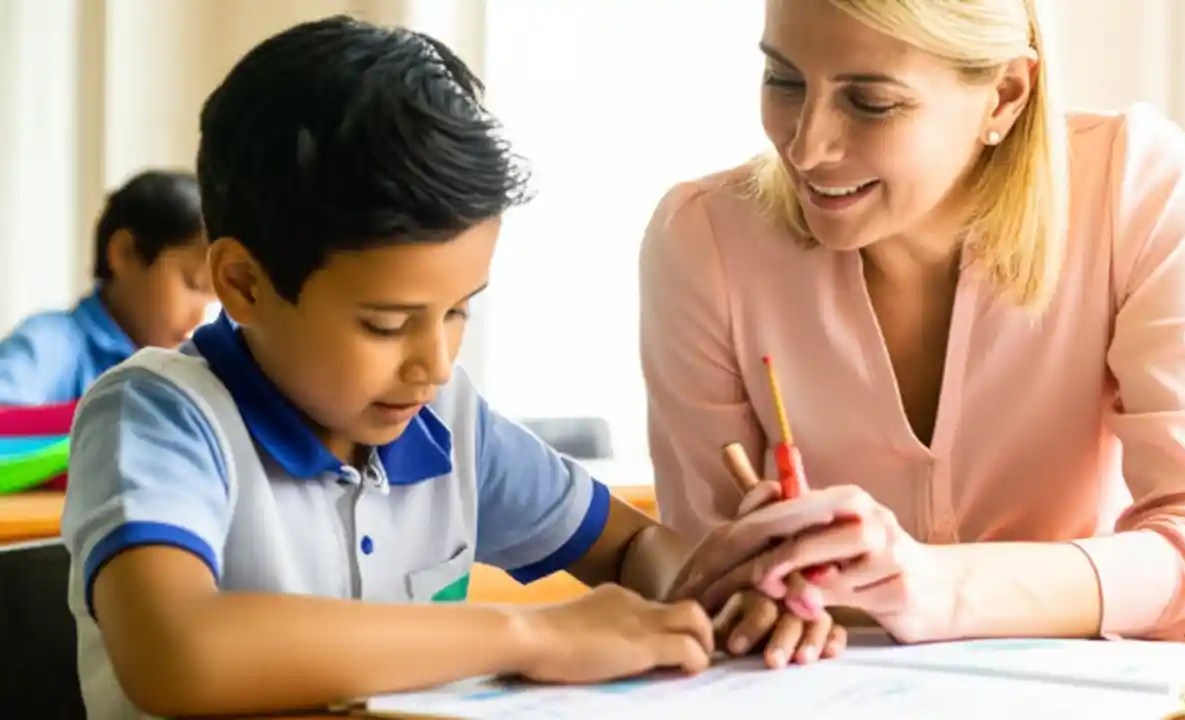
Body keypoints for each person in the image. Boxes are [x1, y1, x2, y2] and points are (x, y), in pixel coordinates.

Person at [61, 16, 848, 720]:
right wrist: (526, 635)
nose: (433, 363)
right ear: (243, 283)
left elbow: (630, 548)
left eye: (459, 310)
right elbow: (177, 653)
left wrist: (717, 596)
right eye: (387, 323)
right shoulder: (158, 417)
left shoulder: (443, 424)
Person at [640, 0, 1185, 645]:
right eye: (785, 81)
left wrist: (942, 587)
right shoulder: (703, 239)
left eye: (871, 103)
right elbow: (705, 575)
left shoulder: (1134, 186)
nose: (807, 146)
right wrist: (747, 595)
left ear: (1004, 95)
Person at [0, 170, 212, 406]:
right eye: (195, 284)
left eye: (214, 299)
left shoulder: (186, 367)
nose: (201, 317)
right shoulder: (54, 342)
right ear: (125, 254)